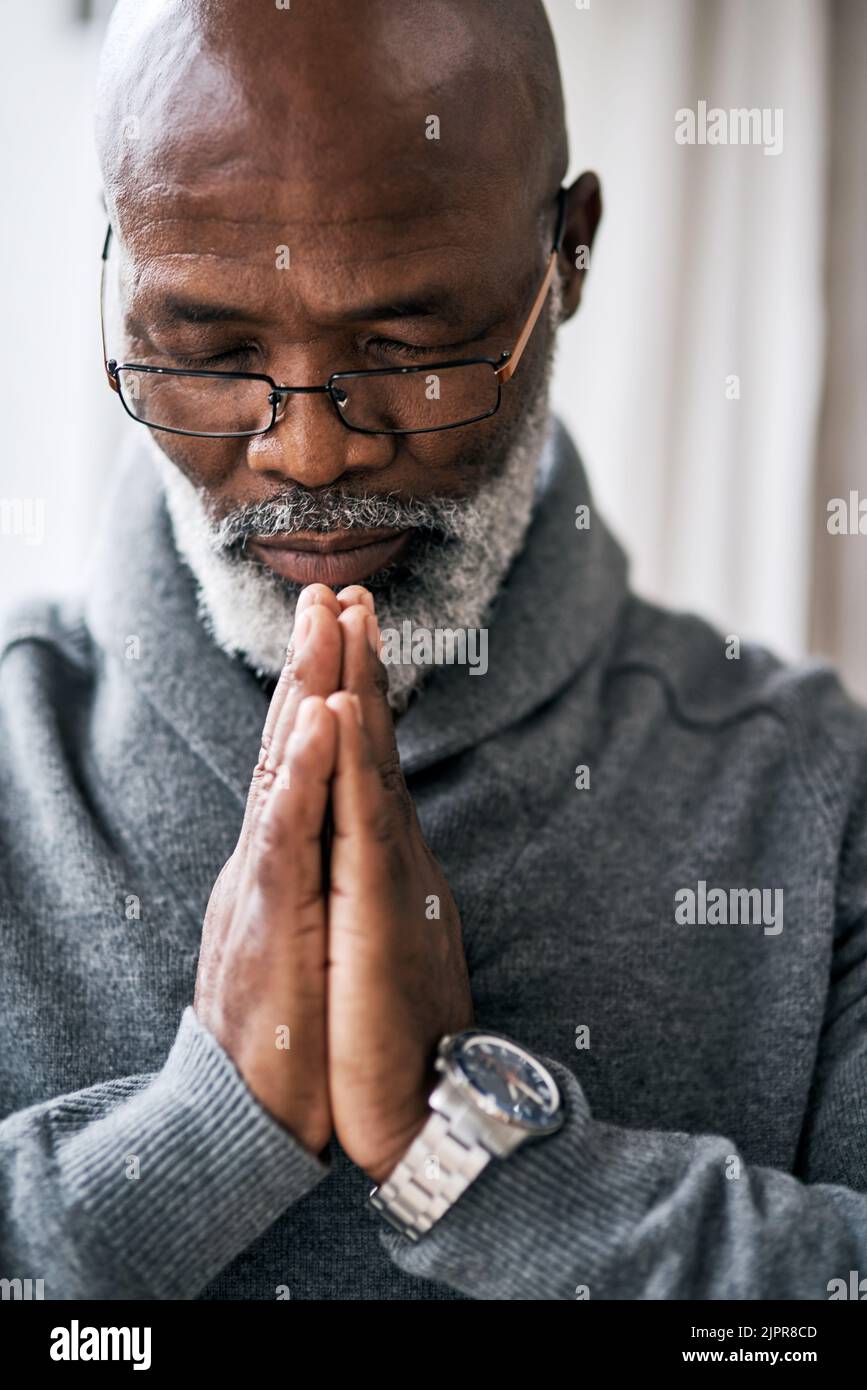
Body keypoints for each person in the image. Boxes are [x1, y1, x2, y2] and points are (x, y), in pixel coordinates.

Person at [0, 0, 865, 1302]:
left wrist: (475, 1152)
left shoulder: (815, 792)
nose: (309, 453)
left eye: (406, 350)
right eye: (212, 351)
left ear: (569, 255)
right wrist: (195, 1138)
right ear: (121, 276)